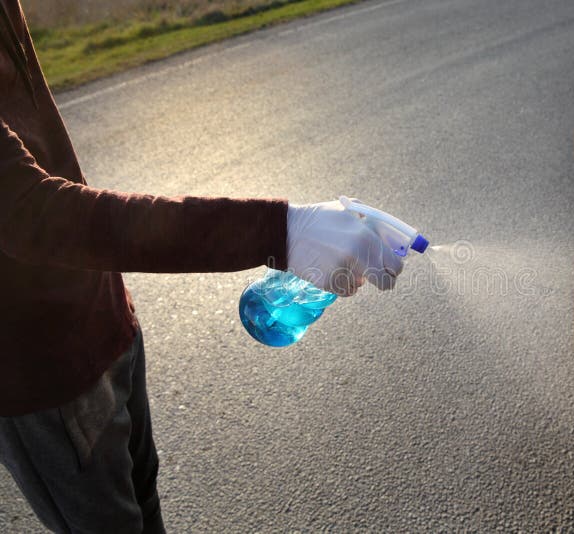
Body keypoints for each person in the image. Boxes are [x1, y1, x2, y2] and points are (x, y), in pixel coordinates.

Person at [0, 1, 402, 532]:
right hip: (42, 373)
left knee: (145, 506)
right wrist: (281, 230)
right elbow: (33, 212)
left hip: (106, 318)